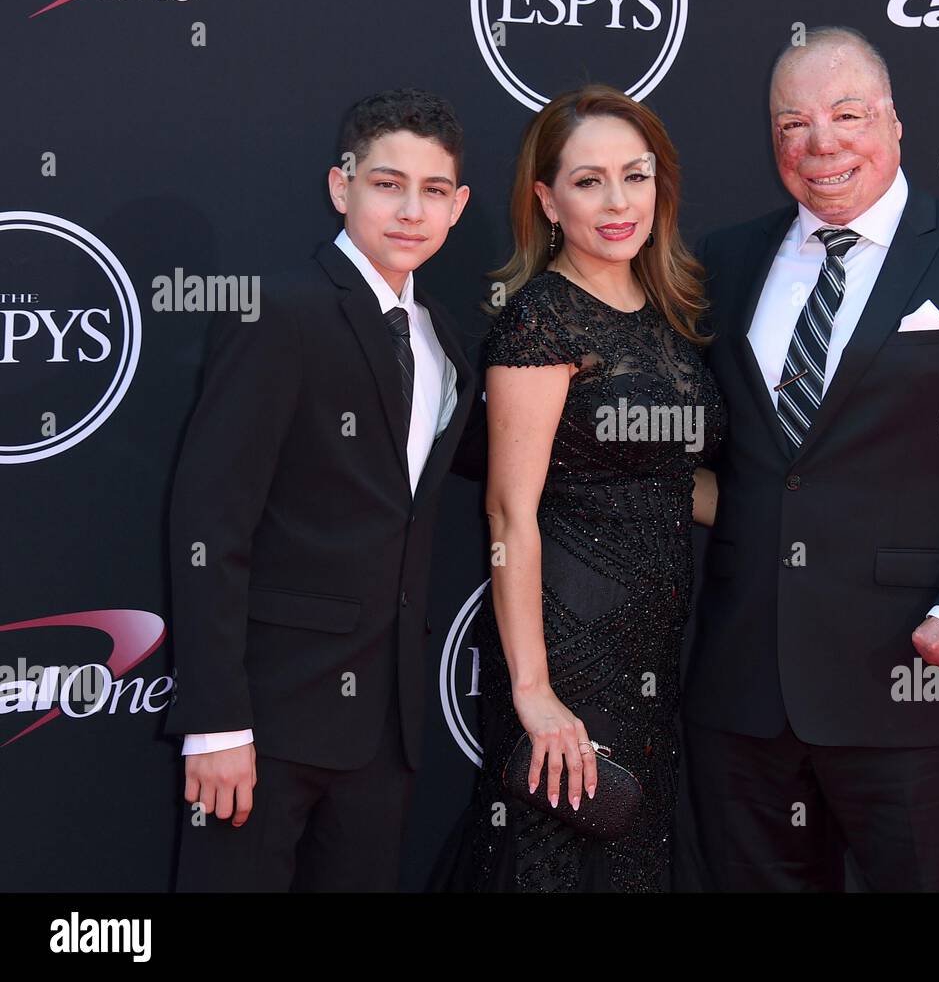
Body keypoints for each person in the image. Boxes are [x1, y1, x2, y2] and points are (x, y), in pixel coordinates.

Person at [682, 27, 939, 891]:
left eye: (847, 114)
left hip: (920, 685)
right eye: (792, 124)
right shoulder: (725, 259)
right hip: (746, 693)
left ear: (896, 124)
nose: (821, 144)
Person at [165, 88, 478, 891]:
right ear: (341, 187)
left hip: (387, 732)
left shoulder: (443, 342)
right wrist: (216, 724)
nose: (411, 210)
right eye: (386, 183)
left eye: (433, 191)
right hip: (265, 722)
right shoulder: (279, 313)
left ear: (458, 206)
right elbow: (210, 525)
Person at [437, 85, 725, 892]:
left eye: (635, 176)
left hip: (658, 643)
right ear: (547, 200)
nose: (617, 201)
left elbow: (671, 479)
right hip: (569, 643)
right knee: (556, 854)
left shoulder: (670, 311)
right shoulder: (539, 322)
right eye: (588, 180)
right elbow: (506, 509)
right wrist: (533, 690)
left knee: (631, 855)